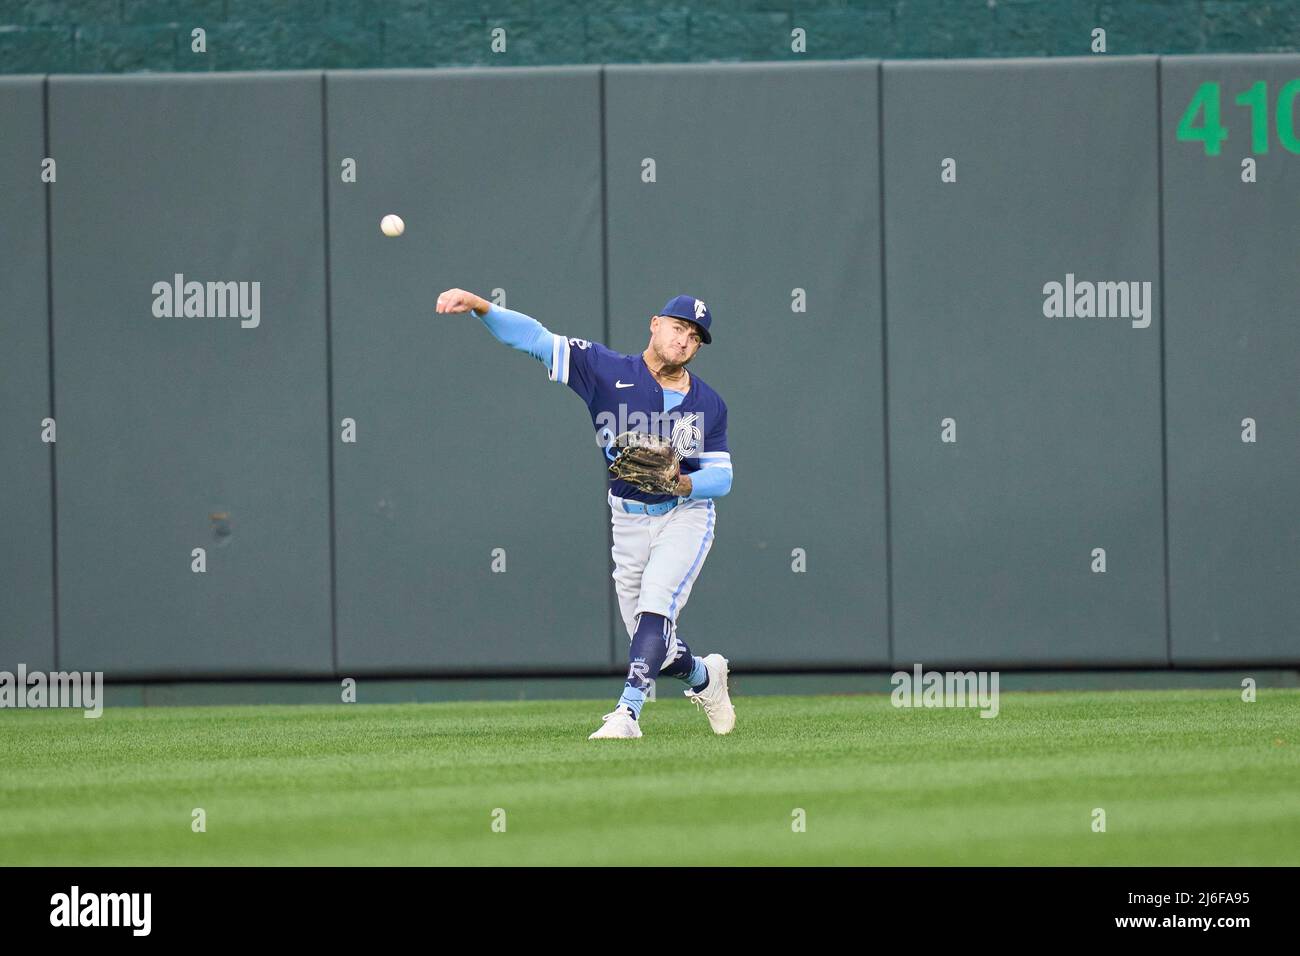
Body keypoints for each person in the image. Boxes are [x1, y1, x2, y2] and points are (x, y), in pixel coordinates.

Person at [434, 288, 736, 739]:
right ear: (655, 324)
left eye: (694, 336)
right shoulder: (603, 368)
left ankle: (627, 713)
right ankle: (705, 678)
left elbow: (723, 477)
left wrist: (683, 483)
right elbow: (534, 339)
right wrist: (481, 306)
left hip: (684, 515)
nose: (684, 340)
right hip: (628, 519)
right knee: (652, 642)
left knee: (657, 603)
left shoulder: (708, 403)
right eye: (678, 328)